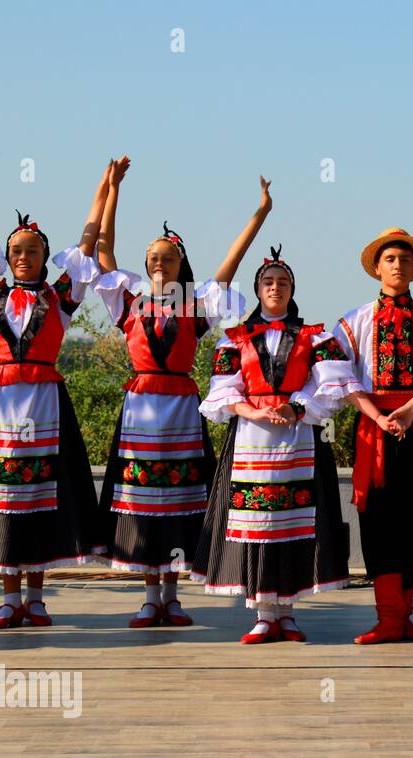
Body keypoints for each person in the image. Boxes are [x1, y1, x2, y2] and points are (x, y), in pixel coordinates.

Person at [92, 160, 270, 627]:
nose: (157, 262)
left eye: (167, 257)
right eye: (152, 256)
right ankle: (150, 595)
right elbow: (104, 251)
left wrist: (260, 215)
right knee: (142, 500)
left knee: (179, 501)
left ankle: (171, 594)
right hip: (141, 409)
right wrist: (113, 190)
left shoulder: (198, 305)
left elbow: (231, 266)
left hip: (182, 411)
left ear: (180, 264)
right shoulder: (128, 300)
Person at [191, 246, 358, 642]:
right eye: (268, 282)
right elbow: (222, 391)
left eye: (283, 282)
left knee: (295, 525)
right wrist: (251, 412)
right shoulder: (235, 339)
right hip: (251, 440)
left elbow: (332, 386)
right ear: (258, 289)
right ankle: (265, 613)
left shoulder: (315, 336)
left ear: (292, 289)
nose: (276, 288)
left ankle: (288, 611)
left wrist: (298, 408)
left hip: (299, 439)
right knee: (260, 524)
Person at [0, 150, 106, 628]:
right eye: (17, 251)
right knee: (3, 496)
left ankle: (35, 598)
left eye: (34, 250)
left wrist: (104, 187)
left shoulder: (61, 297)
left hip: (44, 403)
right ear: (7, 257)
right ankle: (8, 598)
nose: (25, 257)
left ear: (44, 256)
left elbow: (89, 241)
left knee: (43, 496)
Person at [332, 228, 413, 644]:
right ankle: (387, 616)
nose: (398, 267)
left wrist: (410, 408)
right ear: (376, 268)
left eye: (405, 260)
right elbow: (337, 375)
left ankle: (405, 614)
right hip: (372, 427)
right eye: (390, 260)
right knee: (378, 518)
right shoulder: (352, 321)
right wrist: (377, 414)